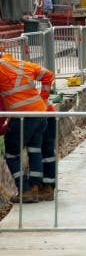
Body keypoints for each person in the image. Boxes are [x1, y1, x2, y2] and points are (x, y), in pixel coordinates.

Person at [0, 53, 54, 203]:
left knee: (12, 155)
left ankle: (25, 190)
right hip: (40, 113)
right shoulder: (22, 64)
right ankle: (35, 188)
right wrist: (43, 98)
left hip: (22, 117)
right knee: (34, 150)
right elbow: (48, 75)